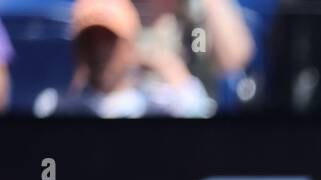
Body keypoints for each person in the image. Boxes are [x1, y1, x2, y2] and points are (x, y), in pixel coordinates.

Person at [53, 0, 211, 117]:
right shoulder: (57, 107)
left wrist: (167, 65)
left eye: (109, 42)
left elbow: (200, 114)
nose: (99, 53)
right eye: (90, 42)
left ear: (130, 46)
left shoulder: (152, 105)